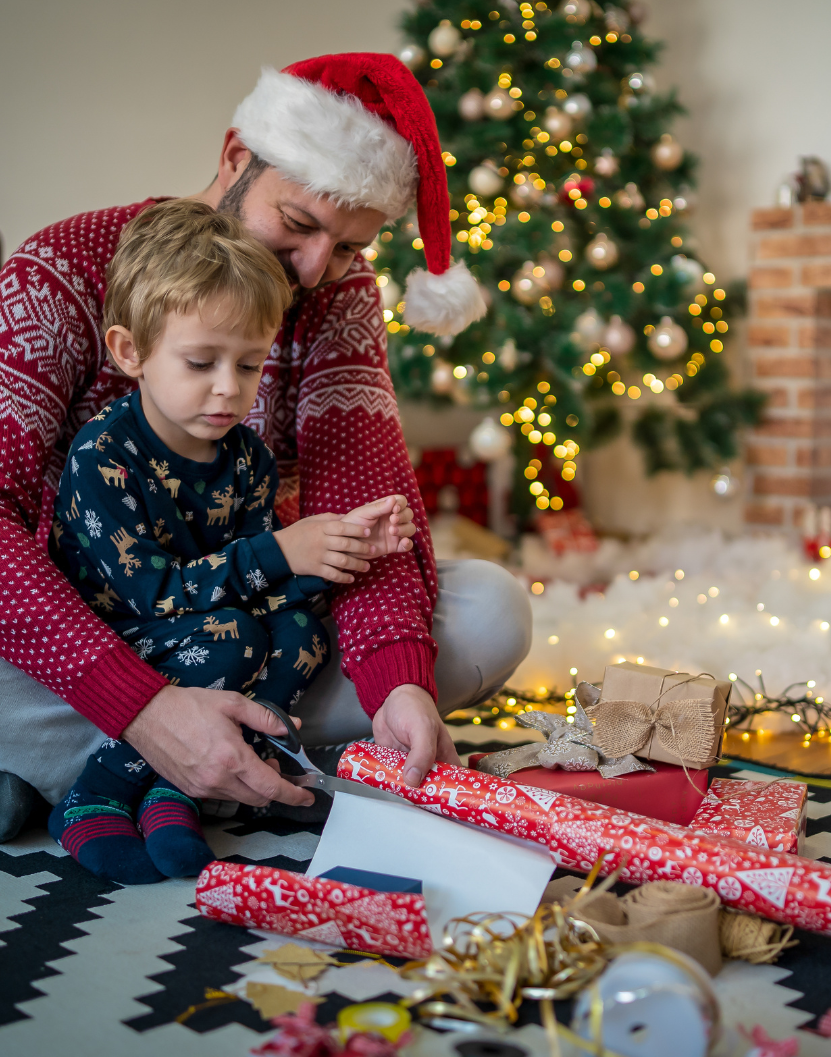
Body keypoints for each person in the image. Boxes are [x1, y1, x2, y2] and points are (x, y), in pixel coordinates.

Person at [0, 53, 532, 840]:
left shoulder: (336, 299)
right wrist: (142, 707)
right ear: (236, 160)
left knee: (492, 611)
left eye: (350, 247)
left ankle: (101, 766)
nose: (316, 269)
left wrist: (398, 685)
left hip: (240, 621)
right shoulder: (64, 267)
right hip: (83, 623)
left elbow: (362, 503)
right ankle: (192, 756)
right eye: (300, 224)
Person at [48, 198, 422, 883]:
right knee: (235, 637)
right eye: (201, 363)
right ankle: (94, 792)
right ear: (130, 351)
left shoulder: (246, 458)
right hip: (119, 635)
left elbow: (259, 578)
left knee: (299, 629)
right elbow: (154, 593)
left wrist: (344, 551)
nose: (229, 391)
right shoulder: (103, 456)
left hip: (208, 620)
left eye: (249, 366)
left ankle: (178, 788)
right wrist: (283, 552)